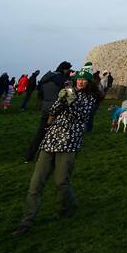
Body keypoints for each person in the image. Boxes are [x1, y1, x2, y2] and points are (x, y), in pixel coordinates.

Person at [12, 71, 101, 236]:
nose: (80, 82)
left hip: (69, 143)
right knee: (36, 183)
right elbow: (52, 111)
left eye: (84, 80)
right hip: (51, 140)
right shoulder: (68, 93)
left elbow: (81, 115)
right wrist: (62, 99)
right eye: (78, 79)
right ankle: (26, 221)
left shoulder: (91, 99)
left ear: (89, 83)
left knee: (61, 182)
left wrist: (71, 98)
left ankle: (68, 206)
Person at [24, 62, 72, 162]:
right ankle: (50, 157)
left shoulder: (46, 77)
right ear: (65, 69)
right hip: (58, 109)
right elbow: (71, 96)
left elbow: (40, 93)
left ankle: (29, 155)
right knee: (57, 134)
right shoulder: (65, 79)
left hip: (45, 107)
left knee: (41, 132)